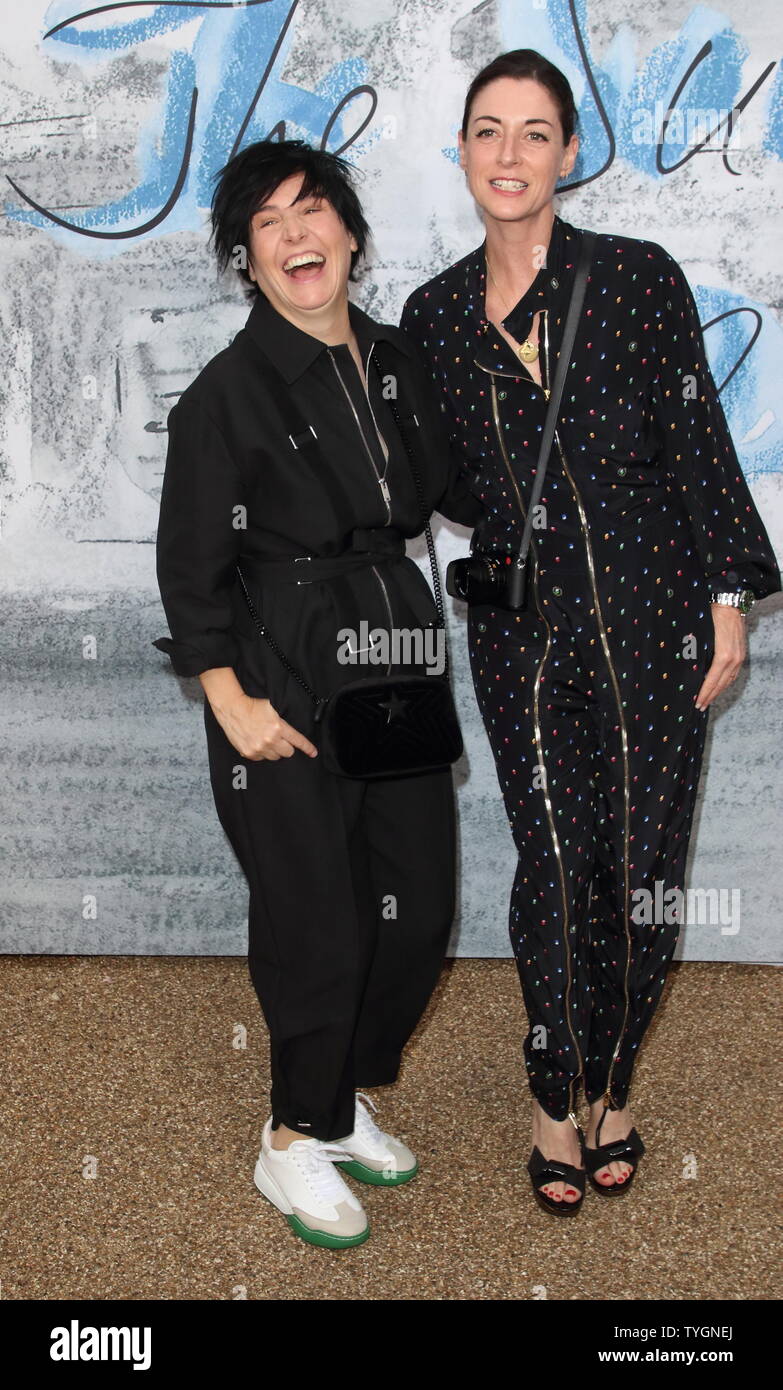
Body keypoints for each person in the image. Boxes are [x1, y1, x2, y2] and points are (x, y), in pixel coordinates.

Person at [400, 49, 780, 1215]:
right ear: (462, 153)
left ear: (569, 153)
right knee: (559, 863)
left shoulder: (636, 280)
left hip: (660, 615)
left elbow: (697, 439)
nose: (509, 154)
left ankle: (616, 1081)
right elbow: (443, 490)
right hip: (528, 638)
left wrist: (729, 593)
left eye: (533, 132)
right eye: (487, 131)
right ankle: (554, 1095)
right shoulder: (433, 318)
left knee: (644, 868)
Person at [152, 139, 482, 1248]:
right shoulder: (223, 398)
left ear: (349, 230)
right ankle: (294, 1136)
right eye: (268, 225)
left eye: (313, 211)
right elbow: (189, 569)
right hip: (278, 670)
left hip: (391, 653)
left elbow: (446, 487)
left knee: (419, 905)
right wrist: (229, 698)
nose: (296, 236)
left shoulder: (398, 359)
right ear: (247, 260)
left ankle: (340, 1098)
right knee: (316, 921)